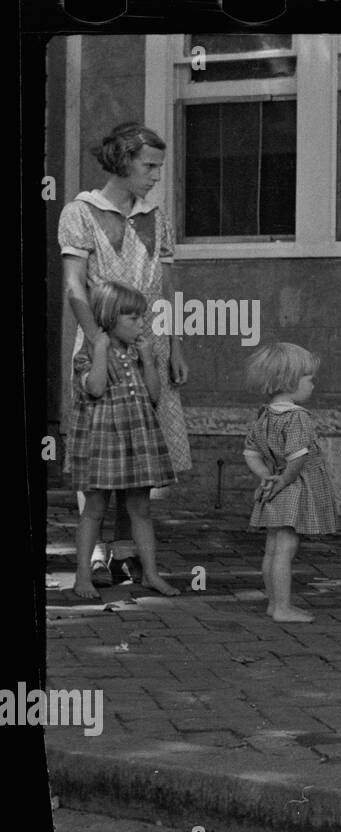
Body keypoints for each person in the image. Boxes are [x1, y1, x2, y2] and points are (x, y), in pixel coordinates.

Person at [58, 122, 190, 584]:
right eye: (148, 166)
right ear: (122, 160)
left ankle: (123, 550)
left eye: (159, 166)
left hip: (149, 345)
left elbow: (166, 287)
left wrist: (174, 344)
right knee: (101, 448)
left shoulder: (158, 217)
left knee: (138, 451)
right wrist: (97, 339)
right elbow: (75, 284)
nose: (156, 175)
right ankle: (93, 555)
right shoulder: (80, 211)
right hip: (102, 343)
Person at [66, 281, 179, 600]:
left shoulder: (140, 351)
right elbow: (96, 388)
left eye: (142, 318)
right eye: (134, 319)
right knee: (95, 508)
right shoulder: (88, 353)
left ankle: (152, 573)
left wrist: (148, 361)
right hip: (102, 442)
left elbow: (154, 394)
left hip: (136, 439)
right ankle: (82, 576)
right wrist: (100, 350)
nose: (142, 324)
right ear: (111, 317)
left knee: (141, 508)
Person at [243, 343, 338, 624]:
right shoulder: (297, 417)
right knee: (286, 549)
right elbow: (298, 457)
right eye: (309, 378)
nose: (312, 384)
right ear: (289, 381)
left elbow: (250, 453)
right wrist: (284, 479)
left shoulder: (264, 415)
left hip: (273, 489)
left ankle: (274, 603)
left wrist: (266, 477)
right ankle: (283, 607)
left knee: (272, 548)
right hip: (293, 489)